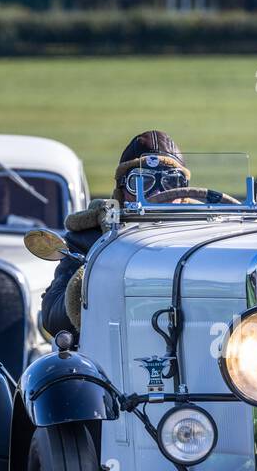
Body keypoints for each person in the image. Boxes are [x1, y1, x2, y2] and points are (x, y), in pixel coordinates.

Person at [39, 131, 189, 339]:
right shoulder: (90, 240)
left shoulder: (206, 238)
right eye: (141, 182)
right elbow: (52, 318)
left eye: (170, 182)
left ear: (184, 194)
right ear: (122, 191)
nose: (157, 193)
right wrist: (97, 268)